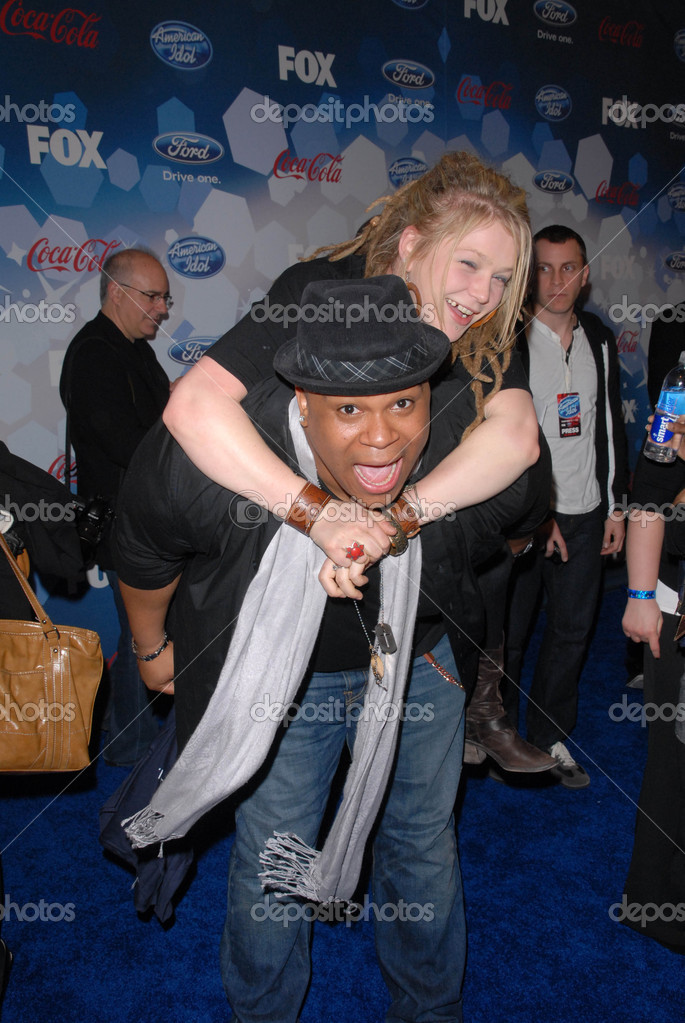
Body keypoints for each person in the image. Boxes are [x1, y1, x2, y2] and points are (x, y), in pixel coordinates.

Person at [116, 275, 548, 1023]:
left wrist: (405, 524)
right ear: (299, 404)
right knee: (272, 855)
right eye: (347, 408)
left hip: (422, 662)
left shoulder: (459, 448)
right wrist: (153, 648)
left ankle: (430, 1010)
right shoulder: (215, 463)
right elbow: (143, 553)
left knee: (421, 843)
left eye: (401, 404)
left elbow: (513, 520)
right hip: (284, 679)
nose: (380, 439)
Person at [161, 150, 549, 771]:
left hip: (426, 632)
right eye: (470, 264)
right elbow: (193, 405)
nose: (484, 295)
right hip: (299, 635)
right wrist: (318, 514)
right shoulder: (324, 291)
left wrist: (398, 520)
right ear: (413, 241)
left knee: (423, 836)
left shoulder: (486, 327)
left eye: (504, 278)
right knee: (281, 845)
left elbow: (518, 438)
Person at [503, 225, 629, 788]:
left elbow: (607, 426)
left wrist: (617, 506)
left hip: (589, 509)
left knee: (574, 631)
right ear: (531, 275)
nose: (557, 280)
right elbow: (507, 439)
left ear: (585, 273)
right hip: (527, 517)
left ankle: (550, 735)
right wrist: (540, 512)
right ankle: (498, 736)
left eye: (569, 267)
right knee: (511, 631)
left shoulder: (599, 337)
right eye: (546, 268)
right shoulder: (509, 340)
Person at [59, 247, 173, 766]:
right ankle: (131, 750)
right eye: (153, 296)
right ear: (117, 291)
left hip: (149, 519)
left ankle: (125, 736)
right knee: (140, 640)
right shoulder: (94, 355)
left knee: (141, 636)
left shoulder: (135, 349)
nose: (163, 309)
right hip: (126, 524)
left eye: (165, 297)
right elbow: (130, 444)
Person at [620, 443, 685, 954]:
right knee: (673, 760)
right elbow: (651, 499)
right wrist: (640, 597)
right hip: (677, 608)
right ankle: (655, 902)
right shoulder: (678, 399)